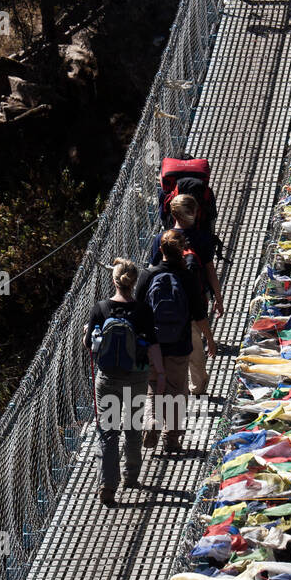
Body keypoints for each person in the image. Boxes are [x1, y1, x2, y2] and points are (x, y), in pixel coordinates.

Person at [84, 258, 161, 506]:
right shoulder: (143, 311)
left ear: (114, 280)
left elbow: (88, 344)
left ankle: (107, 484)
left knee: (108, 433)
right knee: (132, 426)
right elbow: (152, 345)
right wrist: (159, 373)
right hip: (137, 376)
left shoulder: (100, 308)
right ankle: (131, 476)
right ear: (134, 282)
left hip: (107, 378)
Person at [136, 230, 216, 456]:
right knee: (177, 391)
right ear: (182, 251)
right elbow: (199, 313)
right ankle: (171, 438)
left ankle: (151, 421)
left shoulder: (147, 275)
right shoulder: (187, 276)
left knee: (153, 387)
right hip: (179, 343)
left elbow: (138, 310)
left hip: (153, 343)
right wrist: (209, 339)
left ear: (160, 250)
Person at [149, 193, 224, 396]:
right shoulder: (200, 238)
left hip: (163, 306)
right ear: (192, 213)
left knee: (168, 348)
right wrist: (218, 298)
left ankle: (172, 387)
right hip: (193, 303)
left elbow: (151, 270)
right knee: (194, 349)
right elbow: (210, 271)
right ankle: (197, 388)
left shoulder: (161, 239)